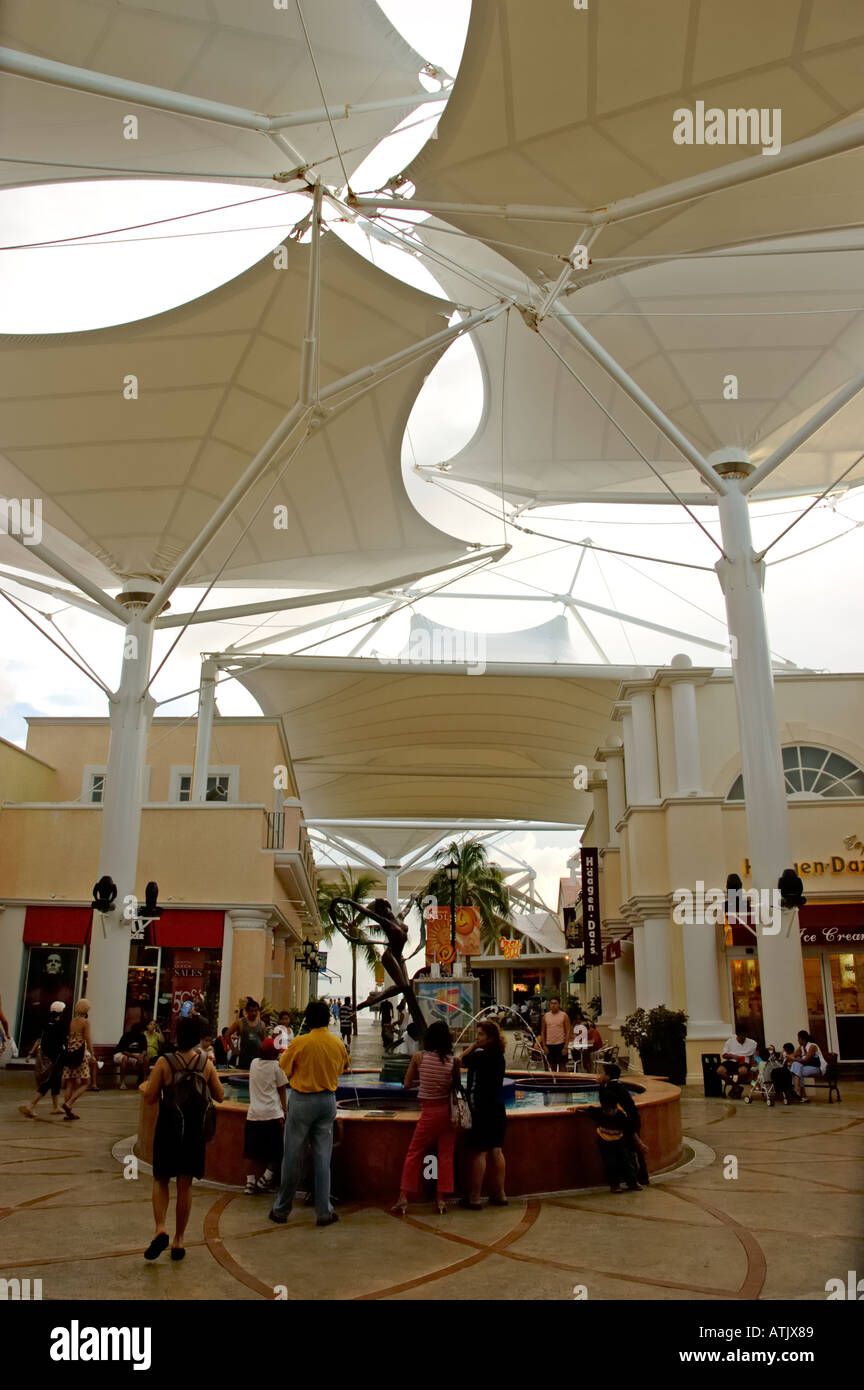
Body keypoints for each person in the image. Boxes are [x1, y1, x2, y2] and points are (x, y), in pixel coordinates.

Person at [139, 1014, 224, 1260]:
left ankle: (160, 1229)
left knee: (161, 1178)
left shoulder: (165, 1063)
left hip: (168, 1128)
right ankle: (179, 1241)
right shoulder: (205, 1063)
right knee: (185, 1185)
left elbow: (150, 1097)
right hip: (194, 1131)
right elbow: (218, 1095)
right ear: (198, 1038)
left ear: (177, 1036)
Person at [269, 1000, 348, 1228]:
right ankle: (324, 1211)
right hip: (327, 1102)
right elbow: (341, 1069)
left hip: (302, 1101)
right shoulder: (337, 1043)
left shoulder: (300, 1043)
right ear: (327, 1019)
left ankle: (282, 1209)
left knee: (292, 1156)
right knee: (323, 1157)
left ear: (309, 1020)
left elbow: (284, 1067)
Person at [392, 1020, 458, 1217]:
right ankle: (440, 1200)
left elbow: (406, 1083)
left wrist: (423, 1082)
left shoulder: (419, 1057)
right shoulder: (453, 1061)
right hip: (447, 1114)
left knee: (414, 1153)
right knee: (445, 1156)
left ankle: (404, 1197)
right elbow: (454, 1087)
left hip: (428, 1113)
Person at [460, 1019, 508, 1208]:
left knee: (479, 1152)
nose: (477, 1038)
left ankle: (474, 1197)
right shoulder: (499, 1054)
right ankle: (501, 1194)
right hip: (497, 1107)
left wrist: (472, 1046)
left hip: (480, 1108)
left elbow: (459, 1060)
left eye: (480, 1034)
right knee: (497, 1150)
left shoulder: (479, 1055)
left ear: (489, 1037)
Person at [244, 1038, 288, 1194]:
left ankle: (250, 1182)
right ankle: (265, 1180)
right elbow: (282, 1090)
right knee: (277, 1151)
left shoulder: (254, 1063)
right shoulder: (277, 1067)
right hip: (272, 1115)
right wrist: (285, 1111)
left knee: (250, 1151)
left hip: (253, 1114)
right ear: (274, 1055)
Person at [599, 1063, 648, 1184]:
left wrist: (600, 1086)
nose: (599, 1075)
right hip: (632, 1120)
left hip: (627, 1122)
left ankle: (636, 1177)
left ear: (608, 1076)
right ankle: (641, 1177)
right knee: (634, 1149)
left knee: (630, 1151)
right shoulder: (619, 1086)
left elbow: (606, 1102)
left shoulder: (610, 1088)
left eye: (602, 1073)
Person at [587, 1090, 645, 1193]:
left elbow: (631, 1131)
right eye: (606, 1110)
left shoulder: (621, 1116)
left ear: (615, 1107)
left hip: (619, 1141)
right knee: (610, 1164)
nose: (609, 1113)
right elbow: (589, 1110)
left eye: (611, 1110)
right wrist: (577, 1108)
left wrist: (640, 1143)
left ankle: (632, 1182)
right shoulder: (599, 1112)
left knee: (626, 1162)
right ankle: (614, 1185)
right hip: (604, 1141)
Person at [20, 1001, 69, 1117]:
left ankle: (56, 1107)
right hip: (56, 1057)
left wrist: (30, 1053)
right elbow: (63, 1043)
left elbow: (40, 1039)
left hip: (46, 1055)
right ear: (61, 1012)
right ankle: (31, 1105)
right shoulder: (61, 1025)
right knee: (49, 1082)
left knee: (55, 1081)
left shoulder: (46, 1023)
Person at [61, 999, 96, 1120]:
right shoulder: (85, 1022)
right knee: (86, 1082)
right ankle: (69, 1104)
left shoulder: (73, 1021)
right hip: (80, 1053)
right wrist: (93, 1054)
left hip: (70, 1052)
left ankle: (68, 1113)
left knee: (70, 1082)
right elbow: (87, 1038)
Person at [717, 1027, 759, 1096]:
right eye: (741, 1035)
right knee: (720, 1071)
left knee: (743, 1071)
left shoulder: (752, 1043)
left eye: (744, 1035)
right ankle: (736, 1086)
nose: (743, 1037)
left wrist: (754, 1063)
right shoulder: (730, 1041)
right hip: (731, 1061)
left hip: (744, 1061)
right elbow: (724, 1055)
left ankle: (735, 1087)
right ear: (737, 1035)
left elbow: (752, 1056)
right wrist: (732, 1056)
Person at [790, 1030, 827, 1101]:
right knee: (796, 1067)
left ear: (802, 1039)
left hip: (818, 1067)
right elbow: (793, 1055)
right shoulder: (801, 1047)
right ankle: (800, 1091)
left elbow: (805, 1060)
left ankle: (798, 1090)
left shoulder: (812, 1046)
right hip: (807, 1067)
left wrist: (794, 1059)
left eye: (798, 1038)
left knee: (795, 1070)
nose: (797, 1040)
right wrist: (790, 1056)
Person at [114, 1020, 149, 1085]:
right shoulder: (126, 1036)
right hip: (122, 1053)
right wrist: (135, 1056)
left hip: (134, 1055)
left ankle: (145, 1081)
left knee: (146, 1059)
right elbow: (123, 1051)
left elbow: (145, 1049)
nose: (143, 1031)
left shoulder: (142, 1037)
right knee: (124, 1058)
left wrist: (142, 1056)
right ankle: (122, 1082)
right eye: (142, 1030)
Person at [540, 997, 570, 1072]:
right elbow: (543, 1032)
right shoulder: (545, 1016)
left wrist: (566, 1046)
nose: (553, 1005)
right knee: (551, 1066)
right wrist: (544, 1046)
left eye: (555, 1003)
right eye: (551, 1003)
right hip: (549, 1045)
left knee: (562, 1066)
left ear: (559, 1005)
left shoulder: (564, 1016)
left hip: (561, 1044)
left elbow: (568, 1032)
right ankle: (552, 1082)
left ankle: (562, 1081)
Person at [237, 997, 265, 1068]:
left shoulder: (262, 1024)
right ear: (247, 1011)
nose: (254, 1013)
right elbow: (227, 1034)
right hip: (244, 1058)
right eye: (251, 1011)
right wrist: (234, 1049)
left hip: (257, 1058)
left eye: (256, 1011)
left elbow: (264, 1040)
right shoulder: (240, 1022)